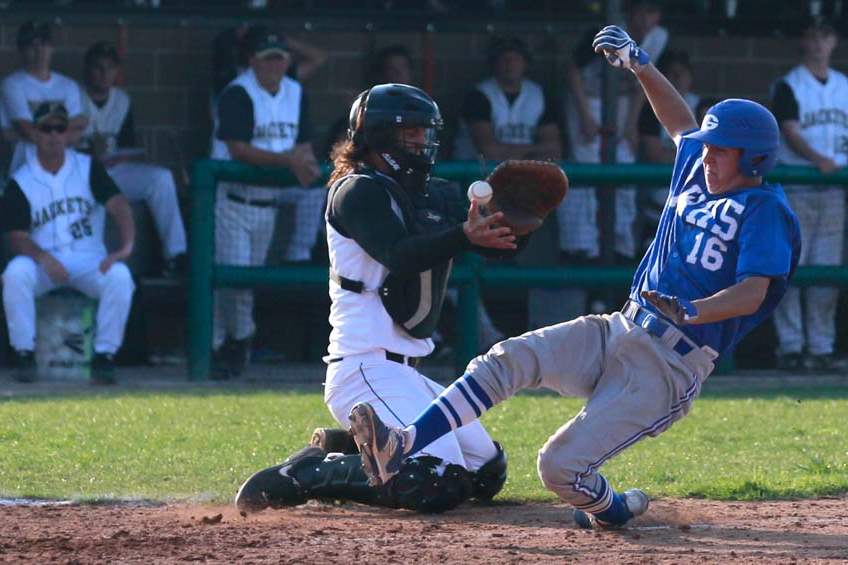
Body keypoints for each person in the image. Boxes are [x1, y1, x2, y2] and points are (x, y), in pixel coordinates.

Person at [348, 25, 801, 530]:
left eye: (722, 150)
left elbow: (753, 291)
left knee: (557, 468)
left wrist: (692, 310)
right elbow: (680, 125)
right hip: (621, 328)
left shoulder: (765, 210)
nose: (708, 153)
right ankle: (402, 444)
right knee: (505, 359)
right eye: (710, 146)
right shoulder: (699, 166)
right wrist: (639, 64)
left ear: (754, 158)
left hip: (669, 367)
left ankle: (613, 508)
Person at [234, 84, 517, 515]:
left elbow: (489, 240)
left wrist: (517, 220)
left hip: (407, 374)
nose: (422, 142)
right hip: (364, 367)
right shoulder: (356, 191)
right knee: (436, 479)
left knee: (484, 471)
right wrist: (463, 235)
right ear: (381, 137)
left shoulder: (429, 193)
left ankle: (348, 446)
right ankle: (306, 475)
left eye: (426, 133)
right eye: (412, 134)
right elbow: (399, 254)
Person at [210, 25, 324, 378]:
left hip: (269, 203)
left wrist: (301, 160)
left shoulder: (295, 91)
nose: (274, 66)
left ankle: (226, 347)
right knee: (236, 283)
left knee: (244, 283)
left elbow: (302, 141)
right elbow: (238, 149)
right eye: (266, 59)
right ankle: (235, 343)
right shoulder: (238, 92)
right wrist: (289, 162)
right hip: (234, 200)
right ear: (252, 62)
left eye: (279, 59)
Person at [1, 102, 136, 384]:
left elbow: (119, 205)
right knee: (15, 273)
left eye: (59, 128)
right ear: (35, 134)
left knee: (120, 277)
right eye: (46, 128)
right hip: (44, 262)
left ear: (67, 134)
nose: (53, 135)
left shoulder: (88, 168)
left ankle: (105, 356)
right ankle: (24, 353)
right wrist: (43, 258)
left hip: (88, 259)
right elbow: (16, 238)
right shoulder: (21, 181)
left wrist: (125, 247)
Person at [561, 2, 668, 317]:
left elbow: (643, 82)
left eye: (651, 12)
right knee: (587, 185)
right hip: (588, 102)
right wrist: (583, 115)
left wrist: (632, 124)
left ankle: (616, 277)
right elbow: (572, 70)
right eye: (640, 11)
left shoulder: (658, 37)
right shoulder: (610, 30)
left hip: (621, 104)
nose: (644, 19)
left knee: (622, 186)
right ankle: (588, 268)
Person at [452, 35, 564, 331]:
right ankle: (482, 332)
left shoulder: (538, 95)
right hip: (476, 191)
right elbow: (487, 148)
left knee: (518, 261)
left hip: (519, 195)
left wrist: (511, 153)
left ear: (526, 62)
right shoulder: (480, 95)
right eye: (504, 57)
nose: (510, 62)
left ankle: (512, 331)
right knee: (472, 264)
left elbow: (555, 149)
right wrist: (531, 152)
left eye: (515, 57)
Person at [770, 18, 847, 373]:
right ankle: (791, 346)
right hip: (798, 185)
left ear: (833, 42)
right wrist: (819, 160)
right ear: (804, 41)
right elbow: (789, 130)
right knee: (792, 267)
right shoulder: (789, 84)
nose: (819, 44)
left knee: (826, 269)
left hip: (832, 190)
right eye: (813, 36)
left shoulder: (844, 86)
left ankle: (820, 346)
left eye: (825, 36)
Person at [79, 41, 188, 277]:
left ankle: (176, 255)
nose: (104, 74)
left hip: (113, 169)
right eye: (98, 67)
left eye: (109, 68)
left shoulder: (122, 100)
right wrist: (90, 151)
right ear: (88, 69)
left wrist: (122, 156)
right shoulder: (74, 96)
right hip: (81, 172)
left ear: (116, 71)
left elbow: (129, 146)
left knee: (160, 178)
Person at [1, 21, 88, 174]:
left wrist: (40, 126)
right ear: (21, 50)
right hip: (27, 164)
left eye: (43, 44)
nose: (39, 50)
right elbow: (26, 130)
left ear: (51, 48)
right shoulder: (12, 84)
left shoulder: (68, 85)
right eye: (32, 45)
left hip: (66, 162)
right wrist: (62, 128)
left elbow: (78, 128)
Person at [636, 49, 701, 253]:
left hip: (694, 204)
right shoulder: (651, 108)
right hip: (658, 203)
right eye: (671, 74)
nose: (677, 79)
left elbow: (708, 154)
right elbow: (654, 153)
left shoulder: (702, 106)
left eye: (682, 73)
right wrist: (693, 156)